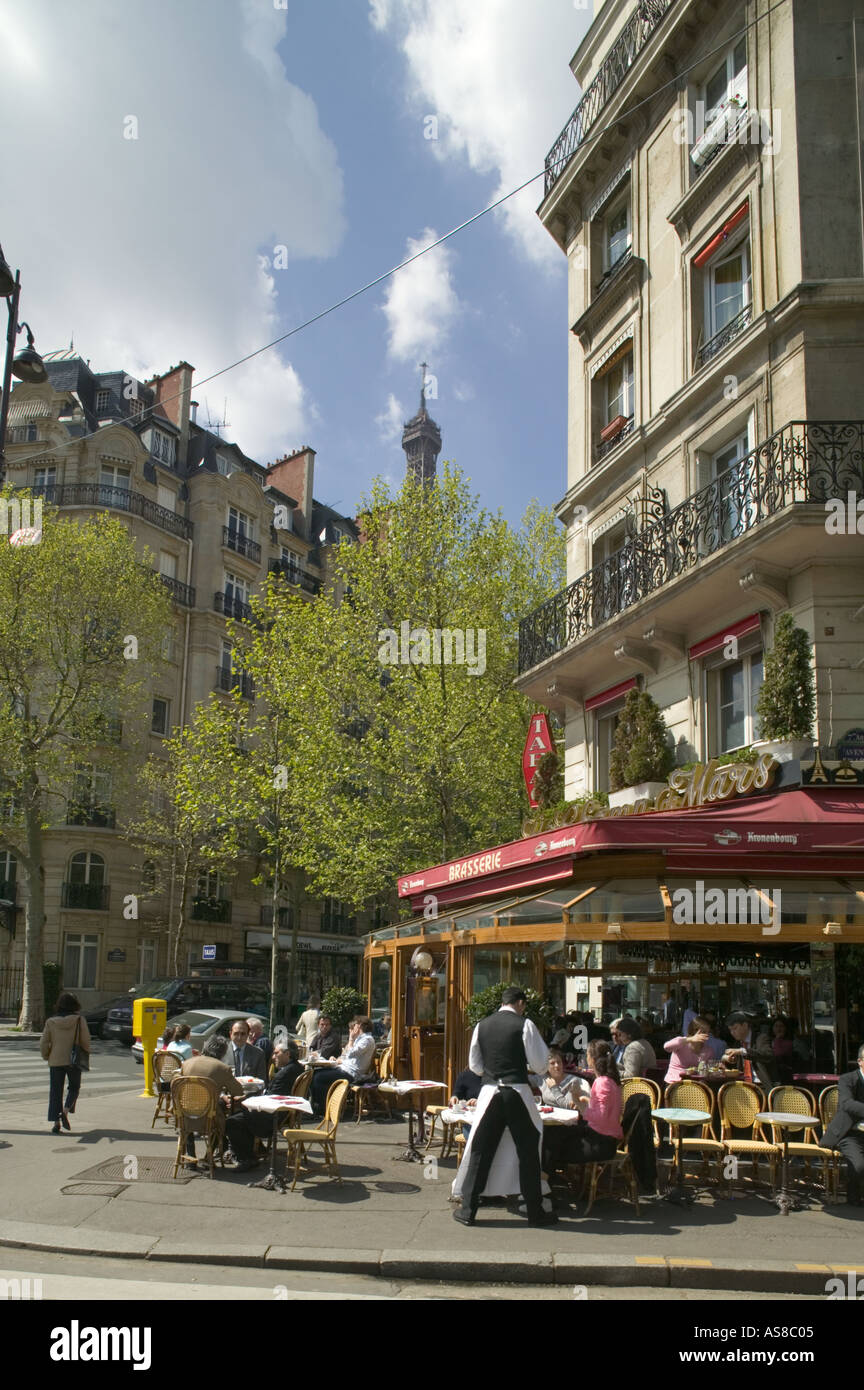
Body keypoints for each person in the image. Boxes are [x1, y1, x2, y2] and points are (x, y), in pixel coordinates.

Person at [453, 986, 556, 1227]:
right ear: (520, 1003)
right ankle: (535, 1211)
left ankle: (468, 1210)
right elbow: (541, 1064)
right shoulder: (525, 1024)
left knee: (481, 1150)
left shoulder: (482, 1024)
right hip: (516, 1091)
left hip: (489, 1092)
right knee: (528, 1151)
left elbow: (475, 1066)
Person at [224, 1040, 306, 1171]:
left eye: (276, 1053)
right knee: (238, 1116)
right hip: (288, 1112)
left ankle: (247, 1158)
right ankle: (255, 1151)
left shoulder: (284, 1074)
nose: (273, 1057)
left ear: (287, 1054)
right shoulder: (297, 1068)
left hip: (274, 1115)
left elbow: (271, 1098)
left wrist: (246, 1099)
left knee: (232, 1122)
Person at [180, 1035, 246, 1169]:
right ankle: (208, 1156)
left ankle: (191, 1157)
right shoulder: (222, 1068)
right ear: (222, 1052)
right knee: (222, 1121)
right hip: (208, 1116)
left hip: (184, 1113)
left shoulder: (187, 1063)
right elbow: (237, 1091)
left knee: (187, 1125)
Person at [557, 1039, 623, 1166]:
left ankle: (551, 1178)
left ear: (592, 1059)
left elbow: (601, 1118)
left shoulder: (602, 1082)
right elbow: (606, 1108)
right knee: (560, 1135)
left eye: (587, 1054)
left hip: (601, 1143)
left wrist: (579, 1103)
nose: (586, 1057)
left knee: (556, 1144)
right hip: (606, 1140)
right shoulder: (610, 1081)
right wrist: (588, 1101)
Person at [40, 992, 91, 1135]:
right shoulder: (79, 1020)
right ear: (75, 1005)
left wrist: (46, 1055)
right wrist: (86, 1052)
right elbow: (86, 1040)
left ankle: (56, 1123)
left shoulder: (51, 1022)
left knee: (55, 1091)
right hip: (74, 1060)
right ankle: (65, 1111)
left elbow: (44, 1042)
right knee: (74, 1087)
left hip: (56, 1059)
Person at [821, 1043, 864, 1207]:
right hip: (850, 1133)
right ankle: (853, 1197)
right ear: (860, 1061)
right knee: (859, 1165)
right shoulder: (848, 1079)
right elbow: (846, 1104)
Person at [310, 1016, 377, 1115]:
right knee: (314, 1074)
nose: (353, 1028)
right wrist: (339, 1060)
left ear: (360, 1026)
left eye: (355, 1025)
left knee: (319, 1078)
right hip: (344, 1069)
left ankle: (322, 1110)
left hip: (352, 1074)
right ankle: (316, 1107)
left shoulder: (367, 1039)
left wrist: (350, 1040)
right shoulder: (361, 1039)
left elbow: (352, 1053)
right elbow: (348, 1056)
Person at [723, 1012, 780, 1088]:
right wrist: (729, 1060)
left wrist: (742, 1051)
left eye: (735, 1028)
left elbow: (767, 1055)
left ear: (745, 1025)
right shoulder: (737, 1043)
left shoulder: (761, 1038)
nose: (732, 1032)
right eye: (730, 1030)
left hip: (762, 1085)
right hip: (744, 1085)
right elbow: (737, 1068)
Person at [663, 1016, 716, 1082]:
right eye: (704, 1032)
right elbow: (666, 1047)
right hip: (674, 1082)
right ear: (694, 1031)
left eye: (708, 1032)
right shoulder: (681, 1041)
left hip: (696, 1086)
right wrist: (690, 1039)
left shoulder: (709, 1051)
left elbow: (708, 1071)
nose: (707, 1035)